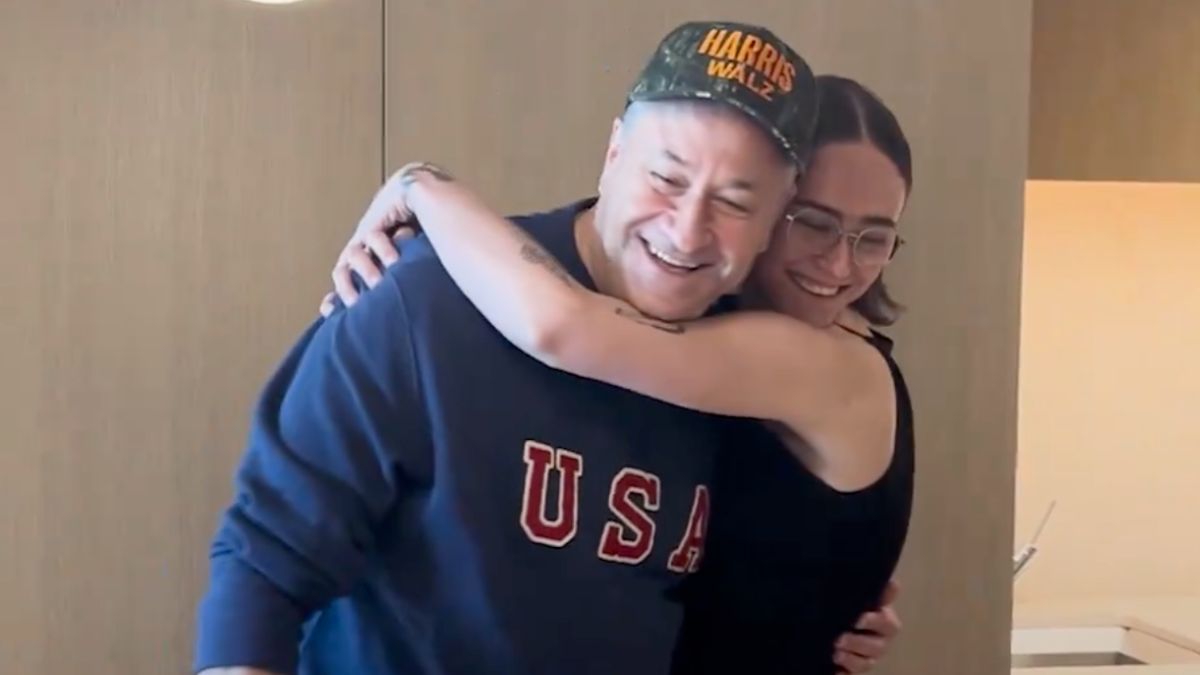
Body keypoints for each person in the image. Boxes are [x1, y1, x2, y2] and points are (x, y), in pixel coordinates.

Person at [194, 20, 828, 675]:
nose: (688, 230)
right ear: (614, 153)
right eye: (666, 178)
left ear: (774, 222)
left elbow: (753, 581)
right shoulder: (430, 295)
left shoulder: (751, 373)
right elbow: (265, 562)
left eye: (733, 201)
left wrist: (844, 601)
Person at [324, 74, 914, 675]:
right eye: (814, 222)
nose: (840, 262)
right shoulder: (746, 342)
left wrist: (421, 188)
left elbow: (562, 324)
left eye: (874, 237)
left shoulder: (818, 361)